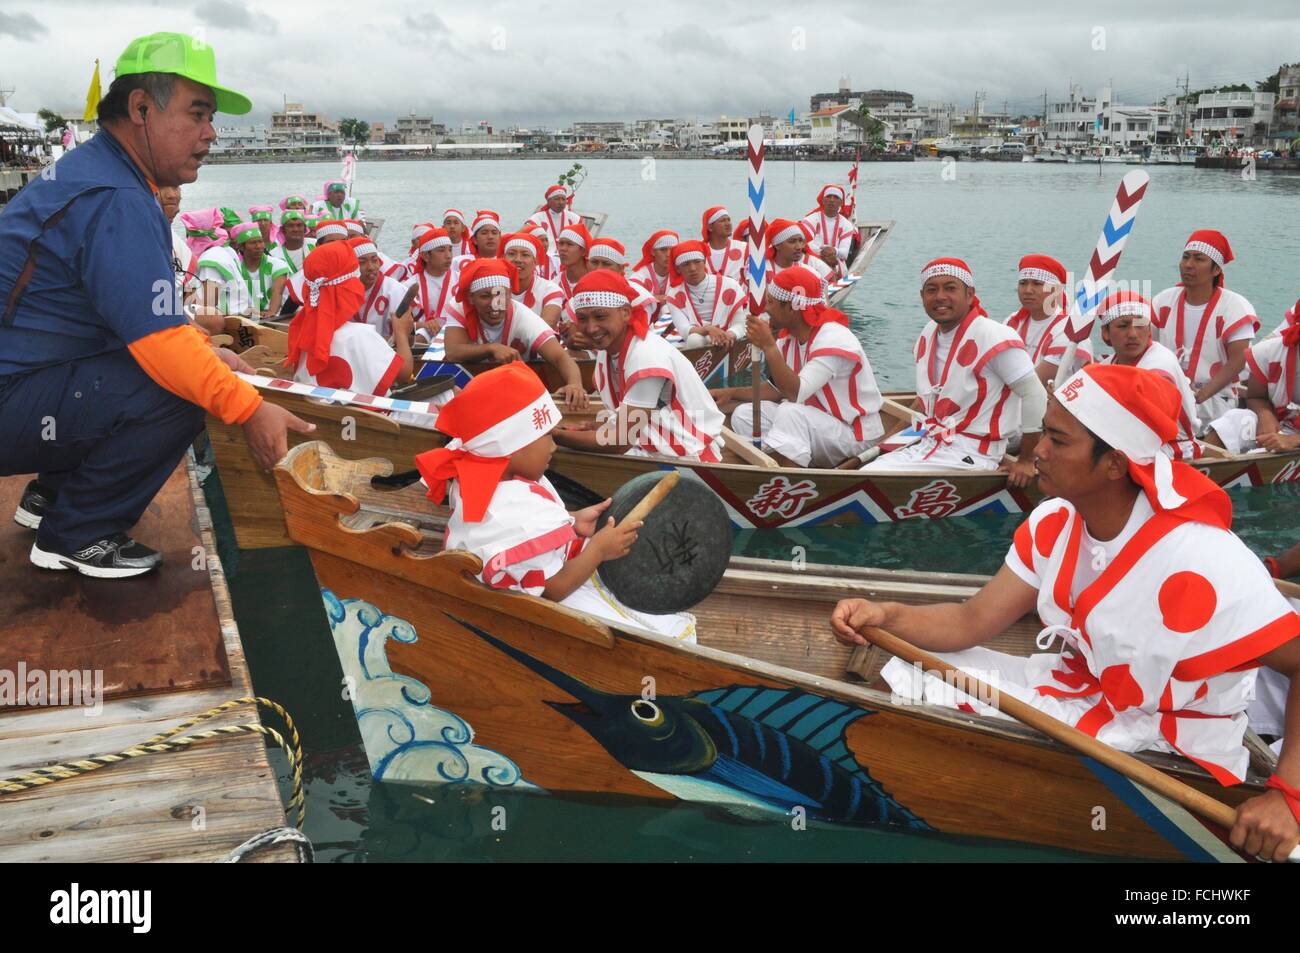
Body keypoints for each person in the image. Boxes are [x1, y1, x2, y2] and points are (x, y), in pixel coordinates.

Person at [830, 363, 1300, 863]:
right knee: (907, 671)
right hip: (1079, 692)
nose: (1038, 450)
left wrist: (1288, 797)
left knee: (914, 692)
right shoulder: (1057, 520)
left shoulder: (1204, 558)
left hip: (1173, 743)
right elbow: (972, 621)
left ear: (1115, 464)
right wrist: (886, 615)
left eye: (1058, 439)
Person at [0, 31, 309, 577]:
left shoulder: (98, 173)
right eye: (198, 114)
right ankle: (78, 533)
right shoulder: (117, 196)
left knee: (172, 367)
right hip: (14, 395)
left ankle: (55, 496)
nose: (211, 134)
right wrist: (249, 408)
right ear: (141, 107)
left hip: (25, 385)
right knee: (179, 393)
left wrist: (208, 356)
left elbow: (143, 317)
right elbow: (160, 343)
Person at [415, 362, 694, 642]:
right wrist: (597, 549)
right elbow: (552, 589)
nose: (553, 445)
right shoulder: (508, 511)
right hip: (534, 608)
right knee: (647, 634)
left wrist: (571, 521)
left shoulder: (479, 472)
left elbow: (527, 530)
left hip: (530, 580)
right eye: (546, 435)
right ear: (514, 446)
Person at [863, 258, 1046, 486]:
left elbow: (1035, 394)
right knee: (870, 467)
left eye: (950, 288)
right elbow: (926, 402)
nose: (940, 296)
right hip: (931, 442)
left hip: (975, 455)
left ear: (970, 295)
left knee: (871, 474)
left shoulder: (994, 335)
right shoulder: (928, 334)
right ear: (922, 297)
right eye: (932, 290)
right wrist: (885, 442)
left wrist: (1027, 459)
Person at [715, 266, 883, 467]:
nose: (766, 309)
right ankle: (775, 464)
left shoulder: (833, 337)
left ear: (792, 307)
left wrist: (768, 345)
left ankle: (783, 477)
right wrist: (731, 393)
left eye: (771, 302)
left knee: (790, 412)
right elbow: (778, 389)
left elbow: (795, 393)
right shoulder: (788, 338)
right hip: (819, 425)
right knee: (745, 414)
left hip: (855, 435)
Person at [552, 271, 724, 460]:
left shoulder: (646, 355)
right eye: (582, 319)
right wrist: (597, 427)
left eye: (600, 317)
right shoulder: (607, 350)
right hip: (655, 437)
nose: (591, 328)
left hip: (690, 452)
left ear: (625, 313)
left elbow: (620, 441)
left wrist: (555, 435)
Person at [440, 259, 588, 410]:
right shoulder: (459, 307)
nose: (495, 303)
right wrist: (492, 348)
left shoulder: (523, 317)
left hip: (515, 388)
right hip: (472, 385)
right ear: (471, 298)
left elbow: (560, 357)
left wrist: (575, 384)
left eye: (501, 295)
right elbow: (453, 352)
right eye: (485, 296)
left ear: (510, 295)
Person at [1152, 230, 1259, 430]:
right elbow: (1149, 346)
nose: (1188, 265)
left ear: (1216, 269)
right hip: (1165, 399)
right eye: (1185, 257)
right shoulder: (1164, 301)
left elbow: (1238, 360)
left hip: (1216, 403)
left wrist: (1202, 395)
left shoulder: (1234, 306)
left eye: (1199, 259)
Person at [286, 242, 414, 394]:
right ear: (347, 290)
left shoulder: (303, 329)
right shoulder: (359, 335)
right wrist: (401, 333)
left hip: (320, 411)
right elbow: (404, 376)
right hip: (363, 415)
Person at [1098, 291, 1199, 459]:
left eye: (1140, 325)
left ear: (1149, 330)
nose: (1132, 334)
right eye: (1123, 326)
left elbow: (1144, 431)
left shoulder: (1159, 365)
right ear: (1106, 333)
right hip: (1133, 443)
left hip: (1172, 449)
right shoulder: (1106, 366)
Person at [1205, 297, 1300, 455]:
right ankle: (1201, 467)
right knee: (1239, 418)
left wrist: (1294, 441)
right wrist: (1265, 414)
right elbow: (1256, 397)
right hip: (1283, 426)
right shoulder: (1269, 353)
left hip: (1292, 437)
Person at [1005, 253, 1091, 385]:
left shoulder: (1070, 329)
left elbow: (1033, 384)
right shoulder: (1012, 321)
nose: (1028, 290)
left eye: (1037, 284)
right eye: (1023, 283)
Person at [661, 240, 745, 346]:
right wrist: (708, 330)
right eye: (686, 264)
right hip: (699, 338)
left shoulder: (730, 285)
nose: (692, 268)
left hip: (729, 337)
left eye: (697, 261)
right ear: (678, 269)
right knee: (694, 340)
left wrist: (730, 335)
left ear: (704, 261)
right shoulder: (674, 295)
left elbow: (739, 324)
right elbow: (685, 331)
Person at [198, 221, 288, 319]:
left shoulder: (277, 264)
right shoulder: (235, 268)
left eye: (260, 241)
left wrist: (271, 313)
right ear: (240, 246)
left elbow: (277, 292)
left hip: (276, 316)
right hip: (249, 316)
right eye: (253, 243)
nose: (259, 246)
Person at [350, 235, 409, 340]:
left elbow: (406, 334)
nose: (371, 267)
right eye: (362, 262)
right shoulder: (341, 291)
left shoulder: (395, 290)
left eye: (374, 260)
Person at [502, 231, 564, 326]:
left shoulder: (550, 290)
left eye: (525, 254)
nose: (518, 259)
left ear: (535, 261)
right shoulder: (495, 289)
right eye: (511, 254)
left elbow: (546, 327)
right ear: (503, 259)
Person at [403, 226, 457, 329]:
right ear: (425, 256)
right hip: (421, 341)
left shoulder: (461, 280)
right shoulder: (410, 286)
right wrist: (423, 325)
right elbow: (400, 325)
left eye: (450, 250)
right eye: (441, 251)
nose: (448, 256)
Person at [801, 184, 855, 273]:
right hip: (813, 259)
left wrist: (834, 251)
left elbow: (844, 253)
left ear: (841, 203)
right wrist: (826, 252)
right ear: (823, 200)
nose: (832, 200)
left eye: (836, 197)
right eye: (829, 196)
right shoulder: (810, 220)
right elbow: (807, 245)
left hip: (835, 261)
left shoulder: (846, 225)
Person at [158, 185, 199, 303]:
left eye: (178, 202)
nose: (177, 209)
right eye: (170, 203)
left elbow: (191, 292)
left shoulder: (177, 244)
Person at [629, 229, 679, 324]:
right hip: (645, 323)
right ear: (653, 252)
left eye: (673, 250)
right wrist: (653, 298)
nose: (668, 254)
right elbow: (630, 298)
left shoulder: (681, 273)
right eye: (663, 249)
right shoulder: (640, 275)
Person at [766, 219, 834, 283]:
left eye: (801, 241)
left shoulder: (809, 268)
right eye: (792, 241)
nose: (799, 247)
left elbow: (831, 282)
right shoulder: (764, 270)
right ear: (777, 245)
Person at [525, 183, 581, 252]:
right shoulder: (537, 218)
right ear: (548, 201)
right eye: (557, 199)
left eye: (563, 199)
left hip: (568, 257)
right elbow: (523, 234)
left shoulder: (575, 218)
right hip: (545, 255)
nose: (561, 202)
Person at [700, 206, 746, 281]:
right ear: (710, 227)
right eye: (722, 221)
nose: (728, 224)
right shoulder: (700, 252)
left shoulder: (744, 248)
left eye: (729, 220)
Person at [555, 220, 592, 299]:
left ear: (583, 251)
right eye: (561, 243)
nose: (563, 249)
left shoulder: (595, 283)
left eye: (569, 244)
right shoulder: (554, 284)